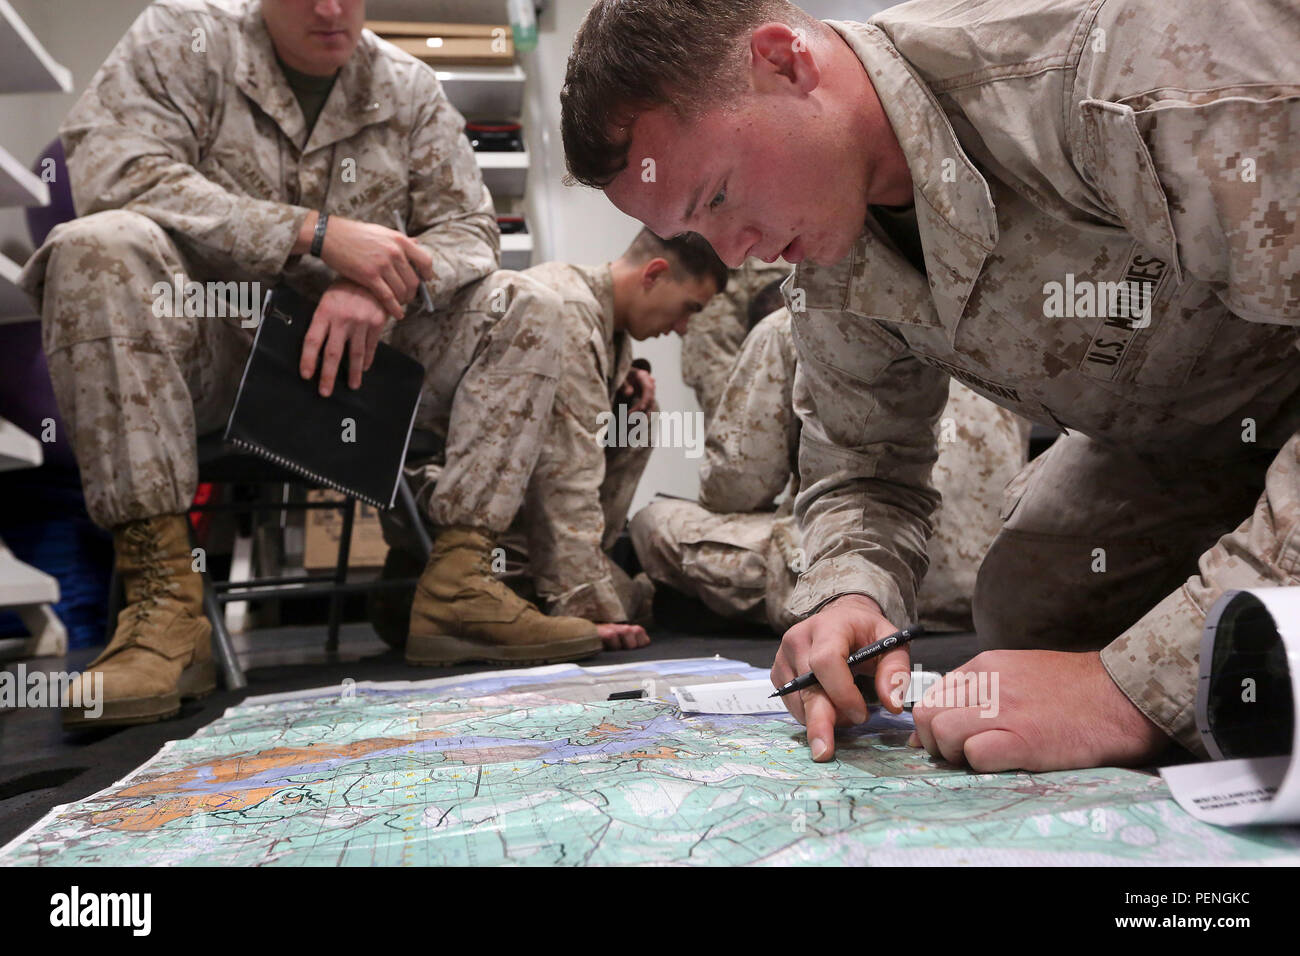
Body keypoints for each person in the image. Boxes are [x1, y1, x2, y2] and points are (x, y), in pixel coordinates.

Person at [560, 0, 1300, 770]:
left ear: (785, 60)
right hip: (1193, 434)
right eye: (696, 234)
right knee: (1038, 605)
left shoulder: (1131, 67)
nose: (737, 254)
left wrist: (1125, 691)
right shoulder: (825, 255)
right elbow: (864, 467)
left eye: (717, 196)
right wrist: (850, 596)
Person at [20, 0, 599, 728]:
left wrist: (381, 288)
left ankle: (459, 584)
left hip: (360, 367)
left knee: (530, 303)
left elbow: (470, 228)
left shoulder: (407, 86)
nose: (331, 10)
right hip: (209, 351)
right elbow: (117, 169)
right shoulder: (182, 37)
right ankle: (166, 606)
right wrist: (311, 234)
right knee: (95, 247)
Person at [390, 229, 727, 652]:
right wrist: (586, 610)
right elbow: (564, 474)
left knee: (639, 417)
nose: (682, 328)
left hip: (517, 523)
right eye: (688, 309)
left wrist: (622, 379)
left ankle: (519, 583)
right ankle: (488, 586)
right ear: (654, 274)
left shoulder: (596, 315)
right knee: (646, 605)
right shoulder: (570, 311)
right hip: (454, 505)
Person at [634, 284, 1029, 635]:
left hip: (875, 588)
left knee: (652, 522)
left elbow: (736, 487)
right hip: (990, 590)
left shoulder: (786, 324)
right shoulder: (973, 326)